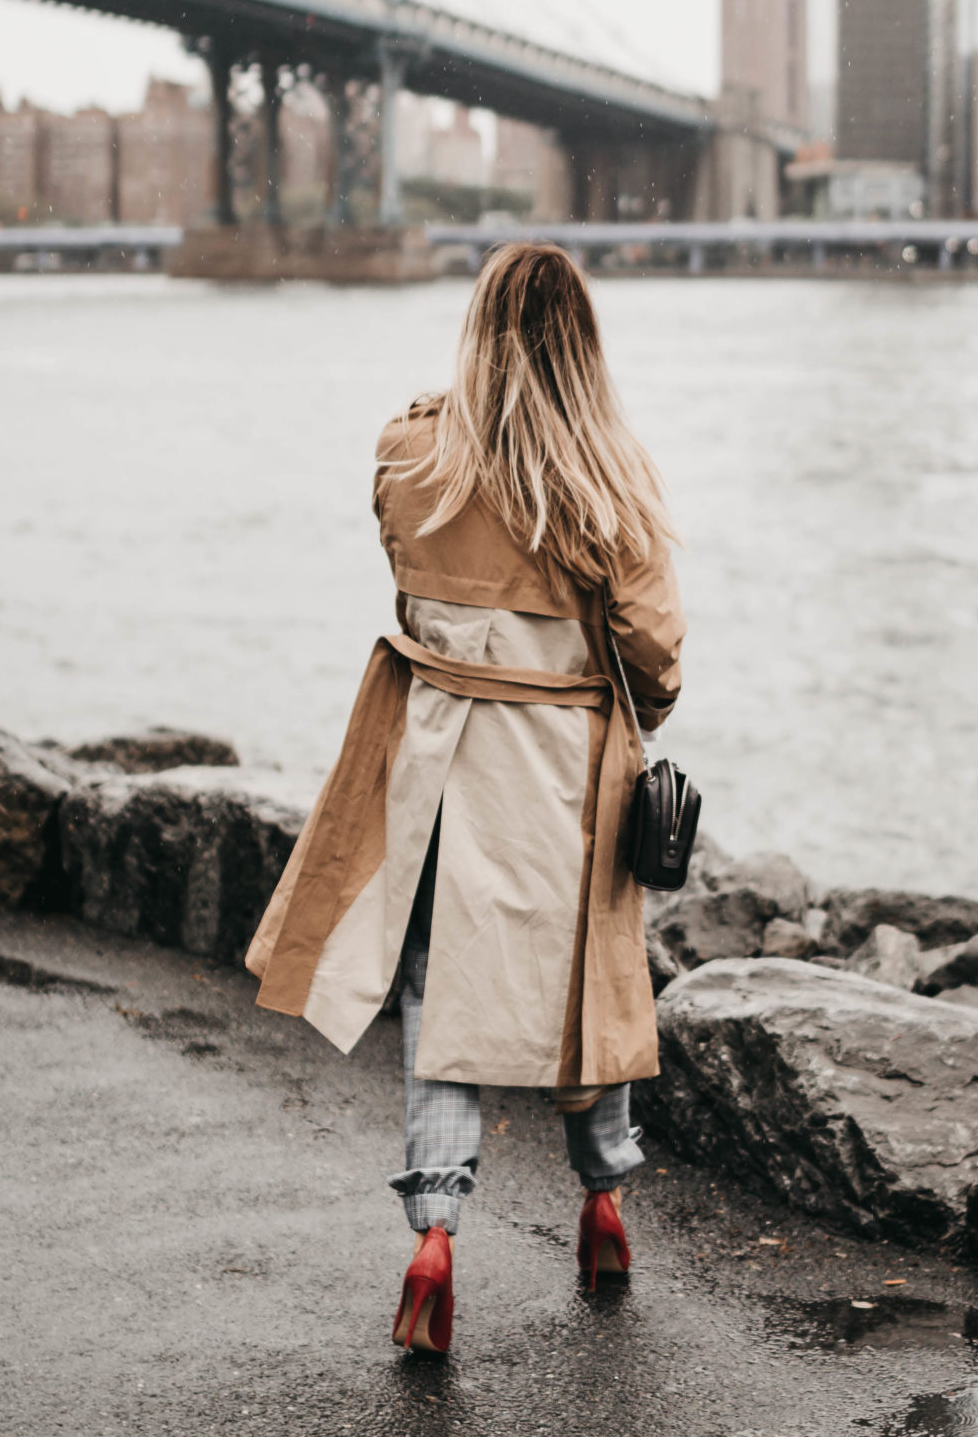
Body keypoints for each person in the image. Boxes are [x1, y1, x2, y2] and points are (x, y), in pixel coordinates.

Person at [246, 242, 685, 1353]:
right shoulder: (611, 475)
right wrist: (648, 711)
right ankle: (602, 1208)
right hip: (565, 772)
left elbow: (403, 568)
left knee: (441, 1001)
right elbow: (655, 654)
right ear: (582, 339)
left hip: (438, 759)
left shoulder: (413, 450)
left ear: (477, 327)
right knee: (590, 991)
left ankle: (435, 1234)